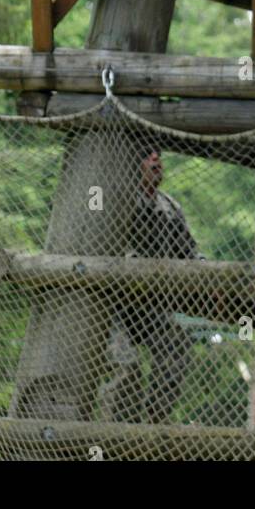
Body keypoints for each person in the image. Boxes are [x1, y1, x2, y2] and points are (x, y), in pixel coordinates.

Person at [101, 148, 203, 424]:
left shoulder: (169, 207)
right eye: (146, 155)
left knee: (177, 342)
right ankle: (116, 434)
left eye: (158, 154)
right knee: (127, 368)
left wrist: (213, 279)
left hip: (151, 309)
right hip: (111, 309)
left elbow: (190, 254)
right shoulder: (115, 200)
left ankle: (156, 422)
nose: (156, 159)